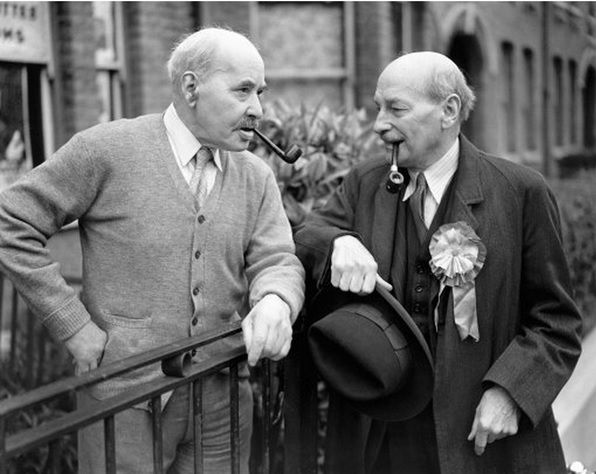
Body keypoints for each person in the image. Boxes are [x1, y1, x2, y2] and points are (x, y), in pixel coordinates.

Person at [0, 27, 304, 474]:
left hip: (222, 400)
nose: (257, 108)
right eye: (242, 90)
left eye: (260, 92)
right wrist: (73, 325)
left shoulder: (255, 175)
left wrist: (276, 299)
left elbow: (277, 258)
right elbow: (11, 221)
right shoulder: (106, 150)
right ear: (191, 87)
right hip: (124, 398)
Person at [294, 51, 582, 473]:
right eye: (378, 108)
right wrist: (337, 242)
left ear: (448, 110)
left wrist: (511, 393)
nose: (379, 124)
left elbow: (556, 322)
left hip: (482, 441)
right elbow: (306, 235)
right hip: (380, 440)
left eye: (396, 109)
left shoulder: (521, 192)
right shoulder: (364, 182)